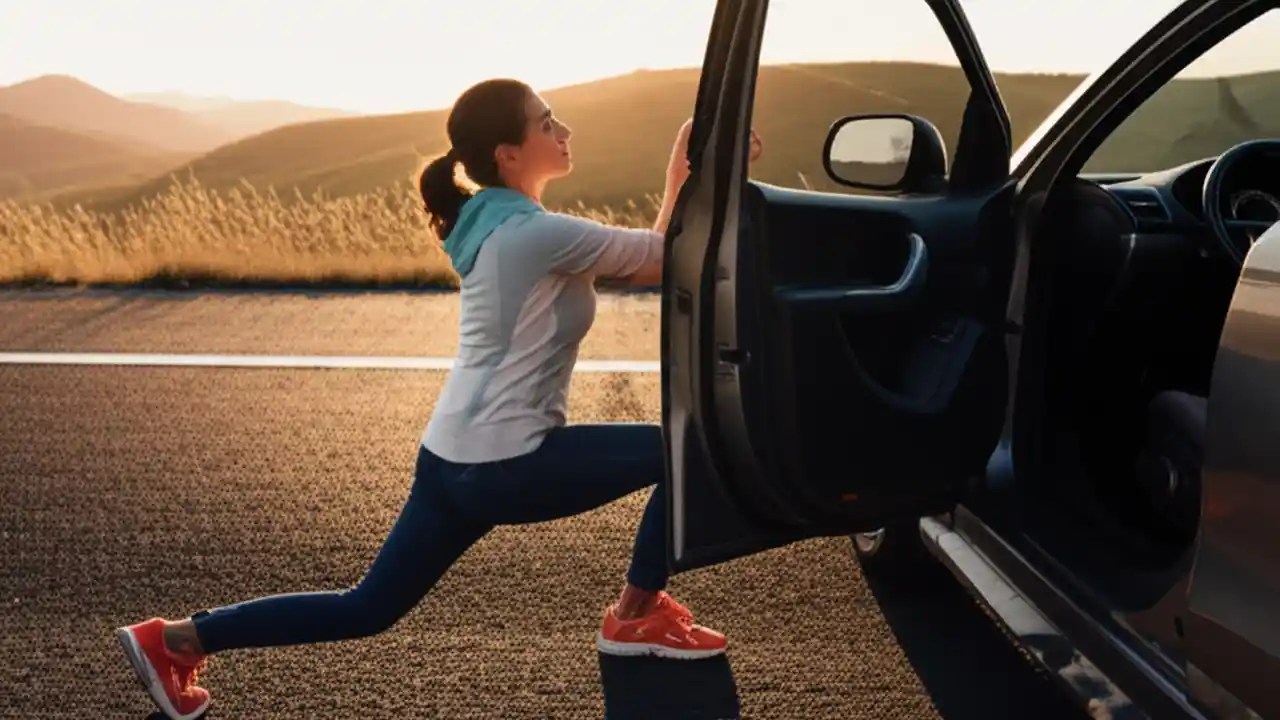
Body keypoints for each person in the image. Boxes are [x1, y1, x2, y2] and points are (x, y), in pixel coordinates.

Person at [113, 78, 764, 720]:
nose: (563, 131)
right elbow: (680, 259)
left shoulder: (500, 231)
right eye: (546, 123)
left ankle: (176, 639)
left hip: (450, 460)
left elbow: (655, 261)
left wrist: (680, 178)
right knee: (690, 450)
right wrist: (693, 174)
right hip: (508, 464)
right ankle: (638, 615)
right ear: (508, 154)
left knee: (365, 608)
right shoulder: (538, 235)